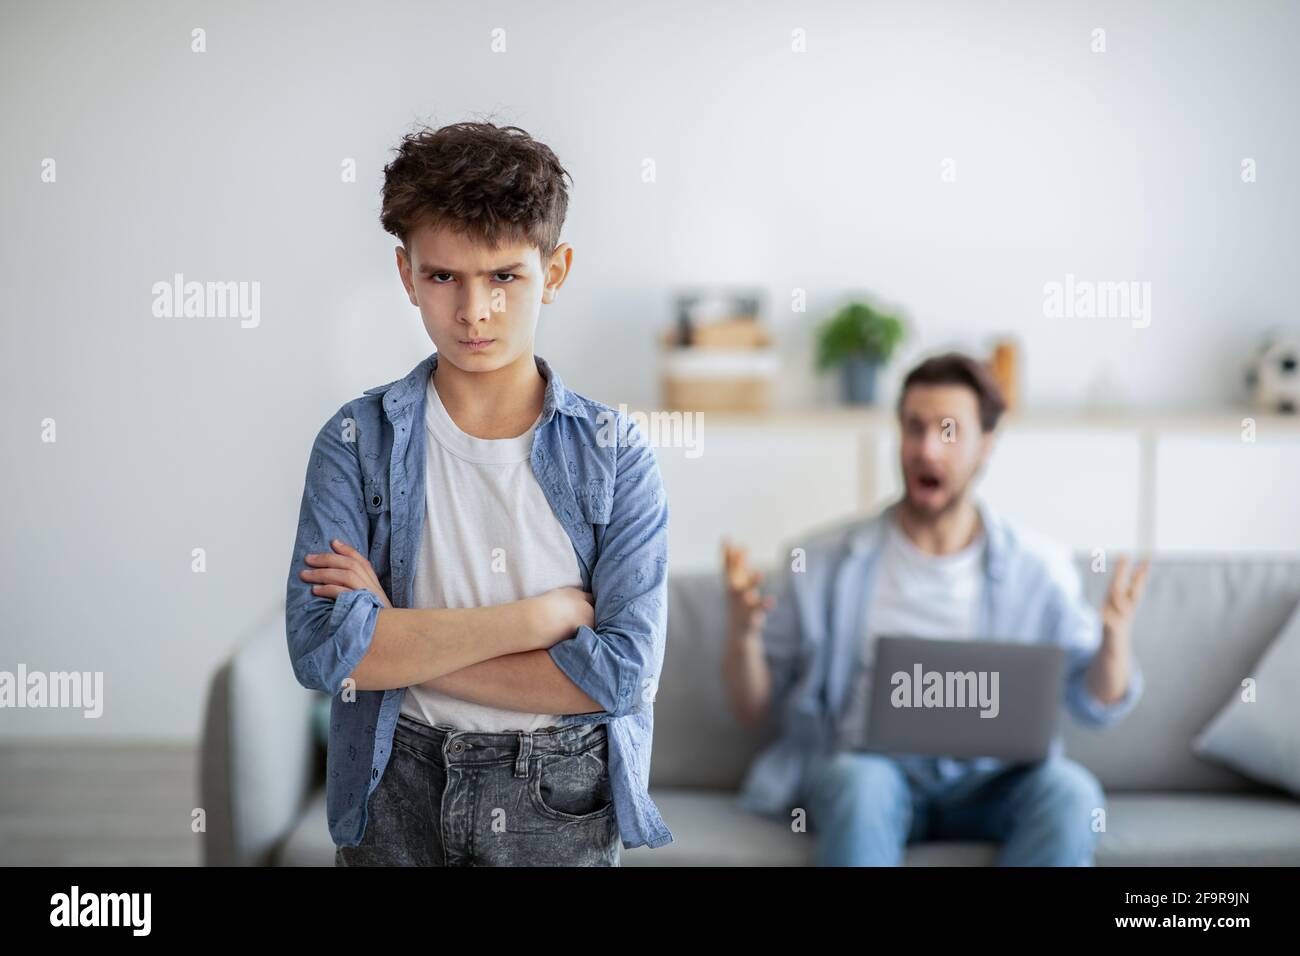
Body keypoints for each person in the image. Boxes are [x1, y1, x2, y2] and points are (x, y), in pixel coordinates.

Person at [284, 121, 672, 866]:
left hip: (560, 796)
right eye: (443, 277)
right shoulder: (354, 443)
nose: (474, 311)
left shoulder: (616, 456)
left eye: (503, 277)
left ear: (553, 273)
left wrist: (396, 637)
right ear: (406, 274)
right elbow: (323, 651)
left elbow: (620, 676)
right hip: (394, 784)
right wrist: (538, 619)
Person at [722, 352, 1149, 866]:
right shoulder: (819, 562)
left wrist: (1115, 636)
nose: (926, 449)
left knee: (1071, 793)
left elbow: (1097, 703)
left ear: (986, 444)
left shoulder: (1040, 568)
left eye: (948, 431)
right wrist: (745, 634)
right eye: (914, 428)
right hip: (872, 773)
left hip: (995, 781)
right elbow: (750, 711)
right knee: (859, 785)